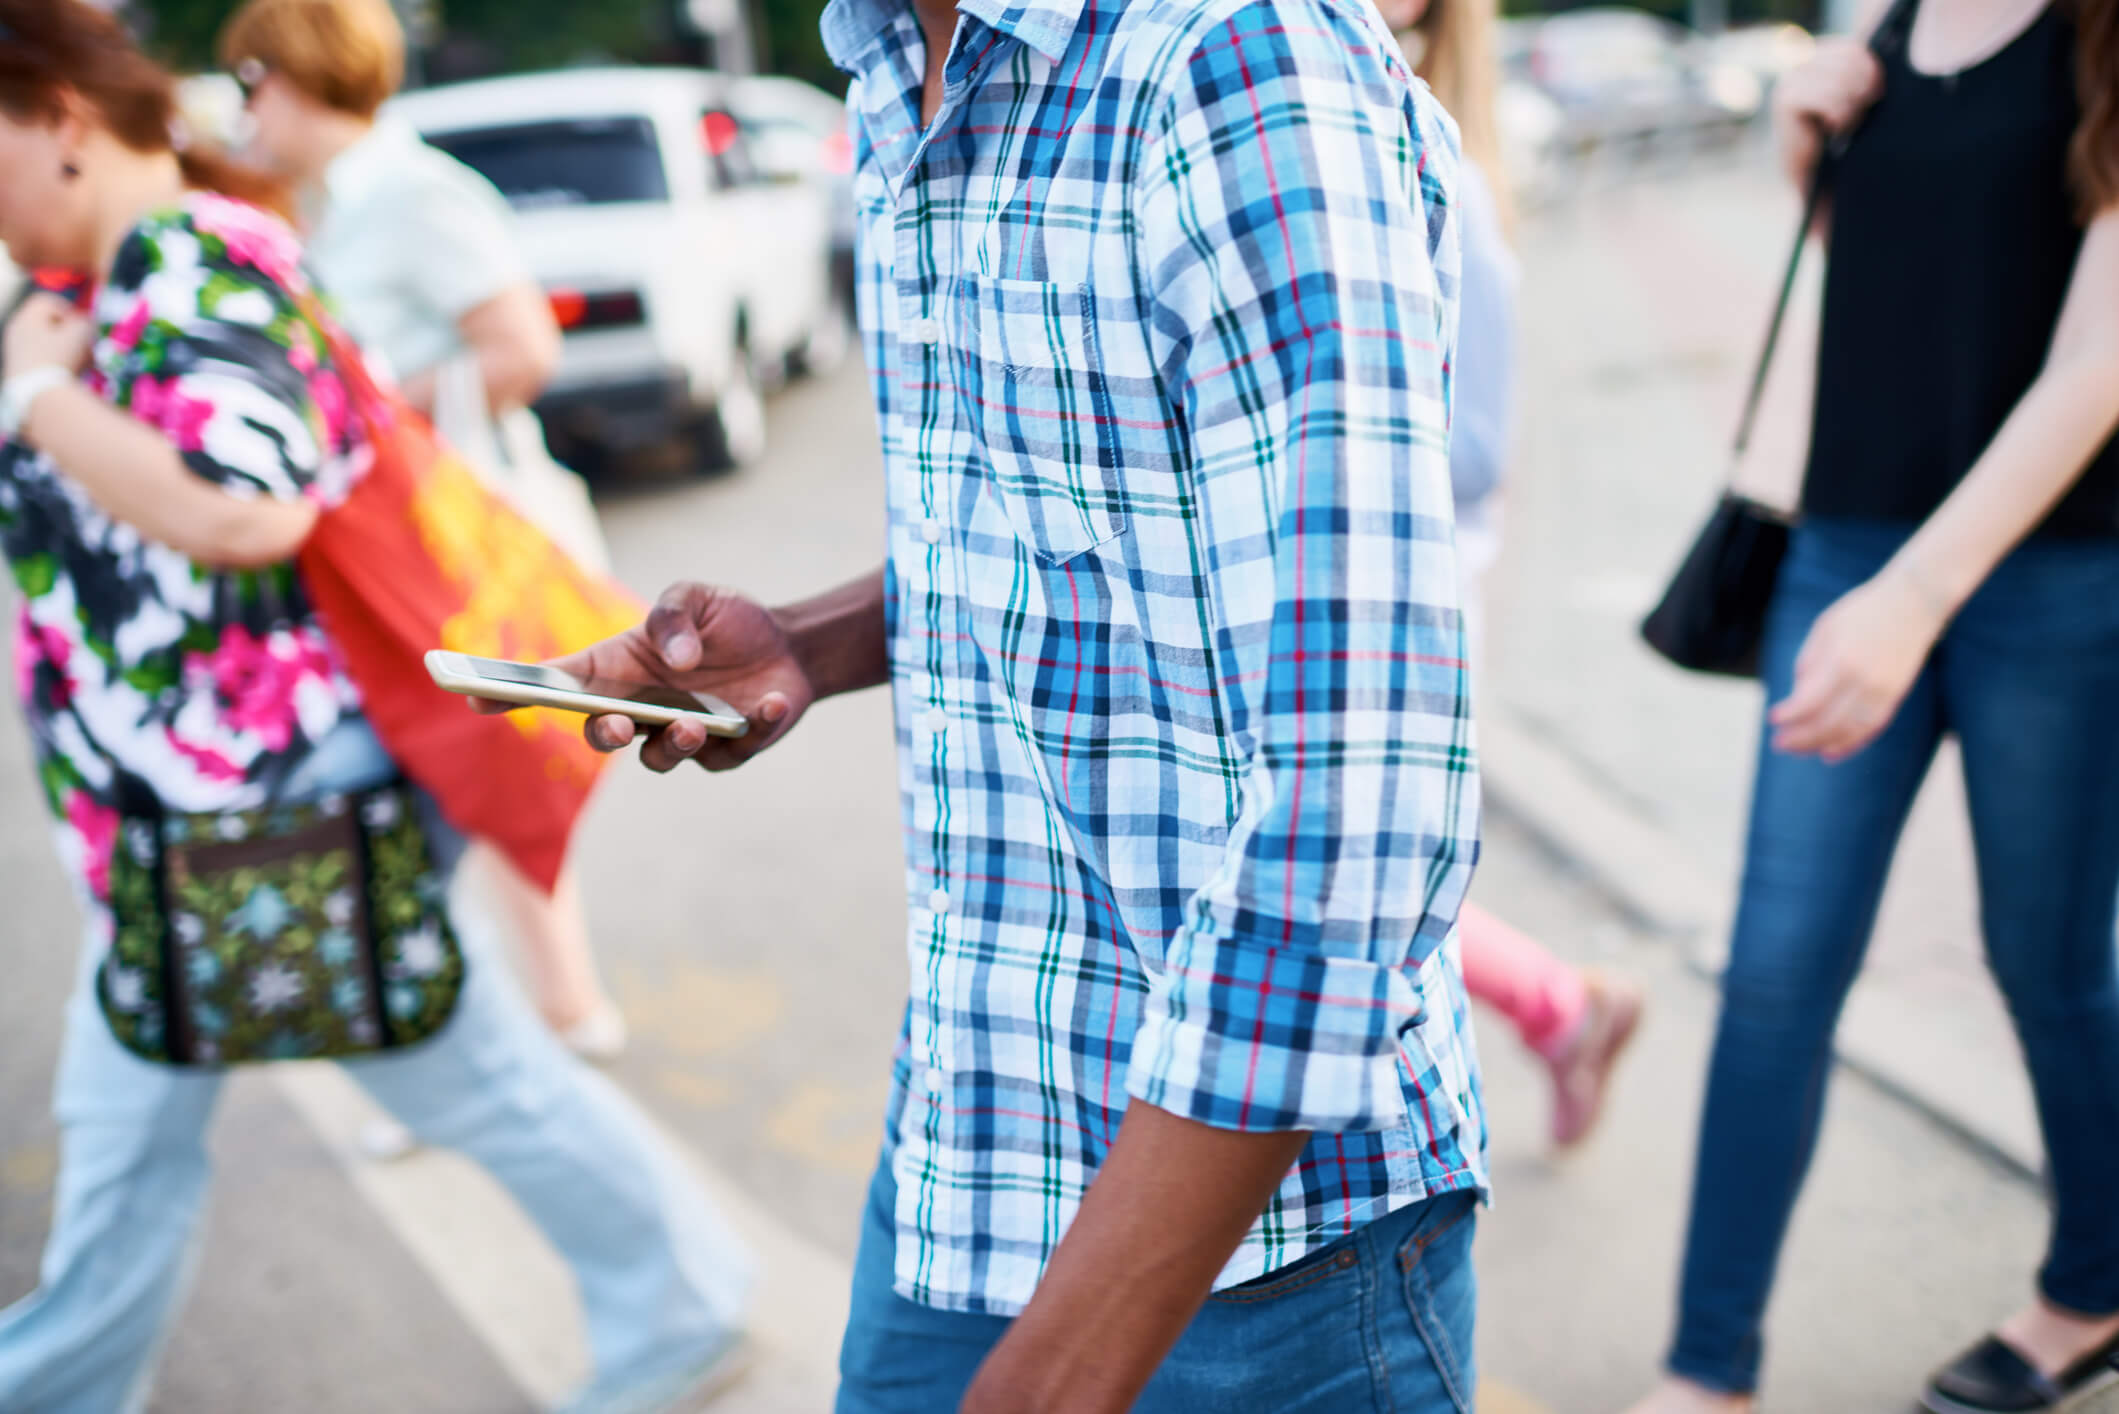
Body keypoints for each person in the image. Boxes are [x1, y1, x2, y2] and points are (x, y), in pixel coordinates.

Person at [534, 0, 1484, 1409]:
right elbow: (1059, 521)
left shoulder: (1235, 62)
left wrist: (1059, 1367)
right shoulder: (887, 63)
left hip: (1256, 1259)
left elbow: (1354, 811)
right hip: (968, 1154)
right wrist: (809, 640)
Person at [0, 6, 750, 1411]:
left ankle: (681, 1303)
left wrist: (35, 396)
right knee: (145, 1138)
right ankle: (677, 1304)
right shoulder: (141, 267)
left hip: (251, 813)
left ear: (55, 115)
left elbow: (245, 510)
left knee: (416, 1087)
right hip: (195, 816)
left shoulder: (188, 261)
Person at [1626, 1, 2119, 1411]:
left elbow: (2094, 365)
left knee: (2041, 962)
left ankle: (2088, 1281)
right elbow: (1916, 287)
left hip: (2054, 574)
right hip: (1842, 545)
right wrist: (1802, 151)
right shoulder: (1884, 30)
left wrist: (1915, 596)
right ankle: (1700, 1370)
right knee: (1773, 968)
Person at [217, 0, 628, 1070]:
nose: (242, 101)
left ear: (304, 74)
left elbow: (522, 349)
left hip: (458, 548)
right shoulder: (316, 206)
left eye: (251, 74)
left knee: (480, 785)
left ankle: (532, 1030)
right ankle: (526, 1025)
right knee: (461, 792)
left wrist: (367, 411)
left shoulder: (413, 195)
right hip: (396, 564)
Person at [1379, 0, 1645, 1150]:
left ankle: (1564, 1008)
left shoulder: (1452, 179)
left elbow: (1479, 447)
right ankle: (1565, 1009)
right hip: (1393, 583)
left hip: (1412, 593)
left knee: (1376, 891)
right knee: (1375, 890)